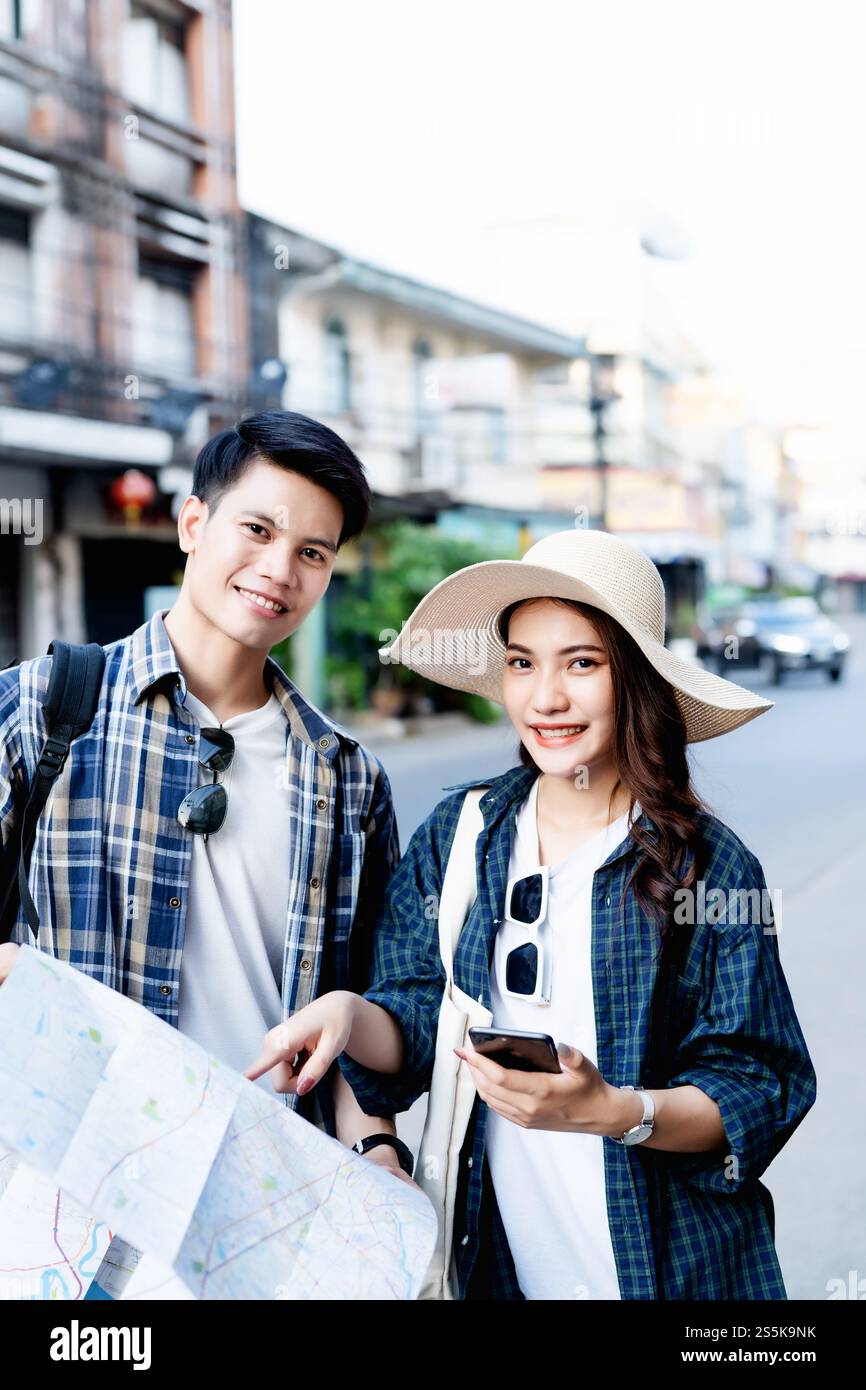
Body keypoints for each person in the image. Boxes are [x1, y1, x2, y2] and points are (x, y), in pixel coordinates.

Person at [244, 526, 818, 1300]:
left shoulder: (707, 866)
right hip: (500, 1273)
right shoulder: (459, 835)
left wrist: (614, 1111)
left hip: (680, 1275)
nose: (545, 698)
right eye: (522, 663)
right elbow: (416, 1021)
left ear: (638, 678)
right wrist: (349, 1012)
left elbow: (758, 1083)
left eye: (582, 663)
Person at [0, 410, 418, 1203]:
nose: (278, 568)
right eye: (255, 529)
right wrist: (26, 977)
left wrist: (376, 1149)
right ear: (194, 522)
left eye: (312, 553)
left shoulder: (348, 779)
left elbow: (357, 1009)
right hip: (71, 1190)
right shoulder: (41, 709)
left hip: (273, 1202)